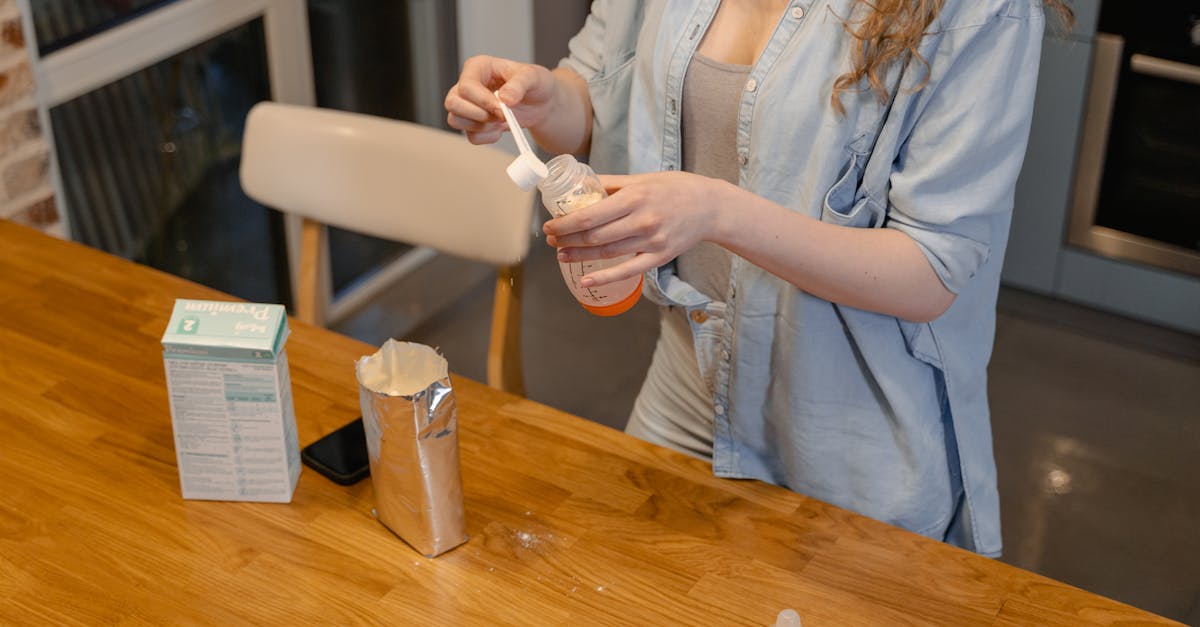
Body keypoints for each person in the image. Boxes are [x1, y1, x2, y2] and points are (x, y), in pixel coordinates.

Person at [444, 0, 1070, 557]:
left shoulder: (981, 11)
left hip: (855, 427)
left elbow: (929, 272)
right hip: (692, 377)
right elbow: (606, 103)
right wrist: (544, 101)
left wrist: (717, 213)